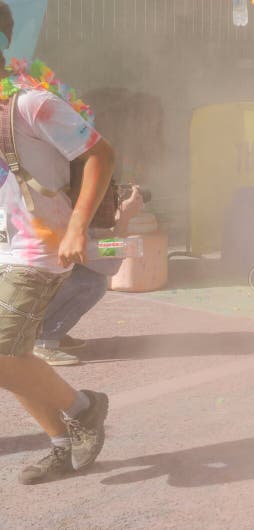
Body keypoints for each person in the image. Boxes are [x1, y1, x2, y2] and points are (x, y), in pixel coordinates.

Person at [0, 2, 112, 484]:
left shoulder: (30, 102)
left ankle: (83, 410)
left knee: (3, 353)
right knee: (14, 358)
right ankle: (63, 443)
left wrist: (78, 226)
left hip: (39, 249)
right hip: (7, 244)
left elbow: (101, 155)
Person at [32, 187, 145, 366]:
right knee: (92, 282)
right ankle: (42, 339)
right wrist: (124, 219)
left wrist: (121, 220)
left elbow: (105, 254)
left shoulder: (62, 207)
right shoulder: (60, 216)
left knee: (89, 275)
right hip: (19, 291)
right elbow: (109, 262)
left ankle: (46, 331)